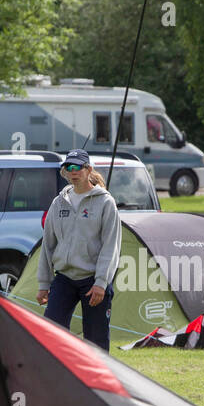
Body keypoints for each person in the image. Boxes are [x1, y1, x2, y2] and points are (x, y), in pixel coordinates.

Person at [36, 149, 122, 350]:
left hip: (93, 281)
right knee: (51, 332)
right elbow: (48, 244)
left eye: (77, 167)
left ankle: (97, 381)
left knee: (96, 342)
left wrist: (101, 282)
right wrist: (43, 283)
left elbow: (111, 245)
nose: (73, 171)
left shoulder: (105, 202)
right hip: (64, 278)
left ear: (88, 169)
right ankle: (59, 378)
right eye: (68, 167)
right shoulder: (58, 203)